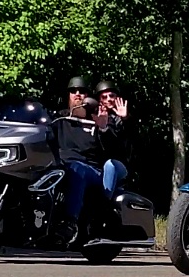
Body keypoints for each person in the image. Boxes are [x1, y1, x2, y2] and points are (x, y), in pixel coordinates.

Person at [51, 76, 130, 244]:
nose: (78, 95)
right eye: (73, 91)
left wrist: (105, 127)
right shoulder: (59, 119)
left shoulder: (97, 121)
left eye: (82, 92)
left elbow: (114, 150)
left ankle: (72, 223)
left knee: (79, 168)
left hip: (93, 169)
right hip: (62, 166)